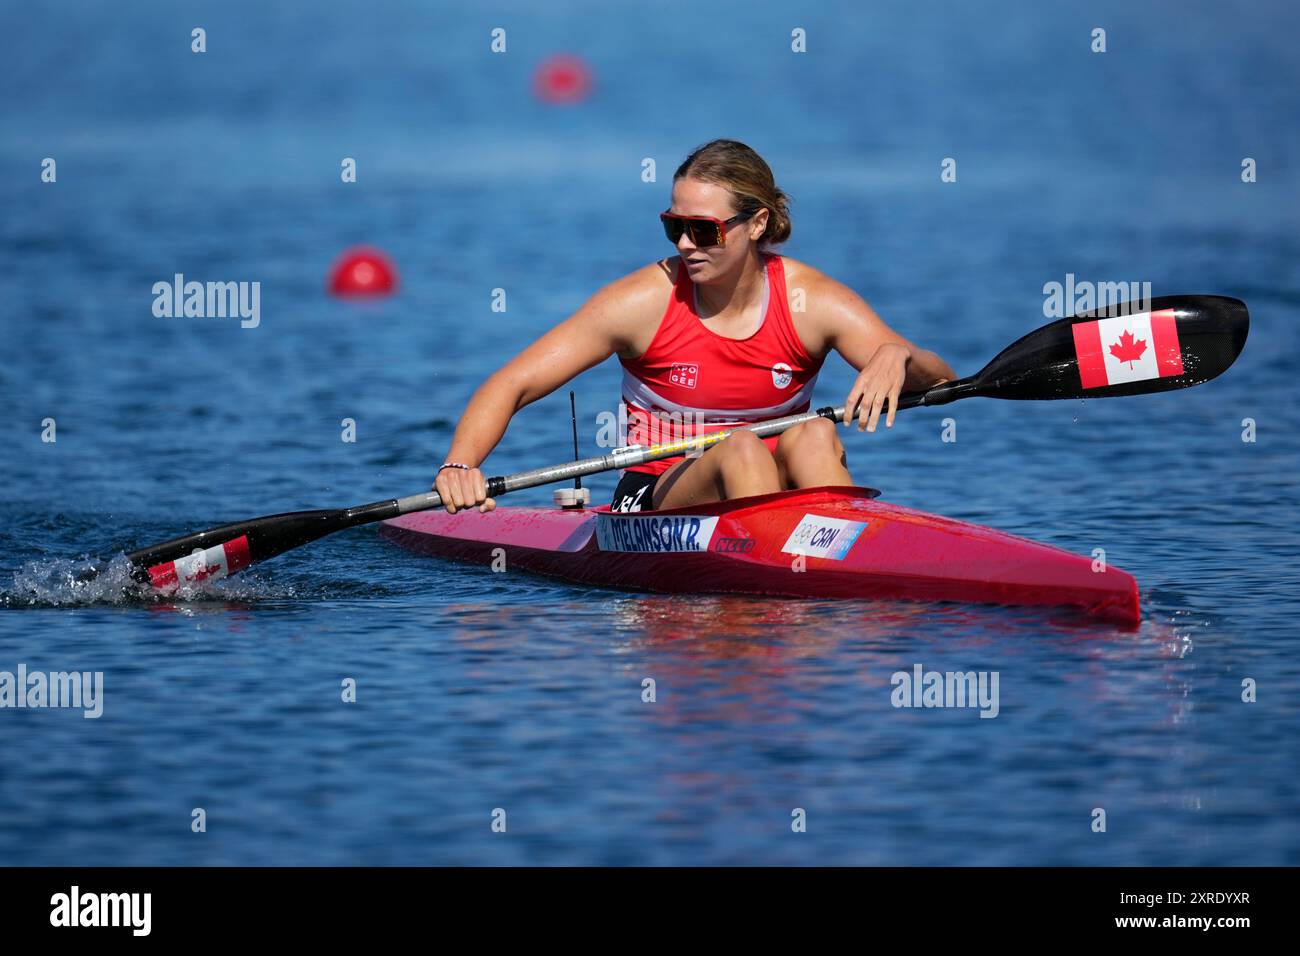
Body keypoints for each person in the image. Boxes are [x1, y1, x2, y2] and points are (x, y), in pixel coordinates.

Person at [434, 139, 955, 515]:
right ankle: (798, 574)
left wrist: (898, 354)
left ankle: (838, 566)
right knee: (743, 447)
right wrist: (460, 466)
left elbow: (943, 383)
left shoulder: (811, 302)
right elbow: (511, 383)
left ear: (757, 225)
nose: (685, 245)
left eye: (703, 230)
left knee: (816, 433)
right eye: (674, 227)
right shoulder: (640, 302)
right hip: (654, 493)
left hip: (769, 486)